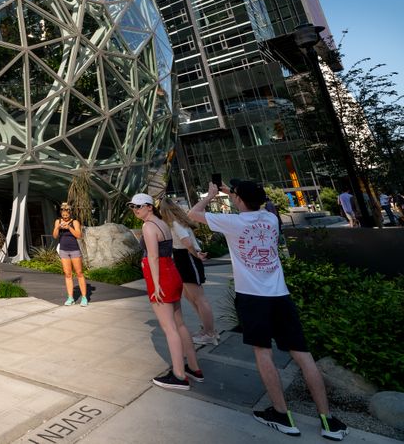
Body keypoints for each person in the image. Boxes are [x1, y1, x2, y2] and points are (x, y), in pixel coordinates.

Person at [189, 180, 348, 440]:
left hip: (252, 298)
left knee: (263, 353)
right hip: (280, 295)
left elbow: (192, 213)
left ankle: (281, 415)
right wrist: (235, 193)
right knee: (303, 355)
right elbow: (251, 205)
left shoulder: (233, 222)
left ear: (239, 200)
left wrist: (211, 195)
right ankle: (327, 420)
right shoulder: (271, 219)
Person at [130, 193, 202, 390]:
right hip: (172, 272)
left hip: (161, 276)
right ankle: (194, 368)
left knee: (170, 329)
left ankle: (179, 376)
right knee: (179, 324)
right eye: (133, 206)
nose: (135, 210)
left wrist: (156, 284)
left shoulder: (148, 226)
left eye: (139, 206)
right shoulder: (163, 223)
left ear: (149, 206)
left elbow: (153, 257)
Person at [160, 198, 218, 345]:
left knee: (199, 298)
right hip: (183, 259)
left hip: (187, 259)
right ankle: (206, 329)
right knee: (190, 296)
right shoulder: (177, 223)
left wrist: (196, 255)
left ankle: (210, 333)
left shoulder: (175, 223)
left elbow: (187, 243)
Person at [52, 201, 88, 306]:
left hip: (74, 250)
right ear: (61, 214)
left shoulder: (75, 222)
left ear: (70, 213)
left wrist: (69, 227)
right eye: (63, 216)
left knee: (79, 273)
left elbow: (79, 235)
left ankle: (84, 297)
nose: (65, 217)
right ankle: (70, 298)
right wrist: (58, 227)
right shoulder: (58, 221)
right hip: (63, 250)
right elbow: (55, 236)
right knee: (68, 274)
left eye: (67, 216)